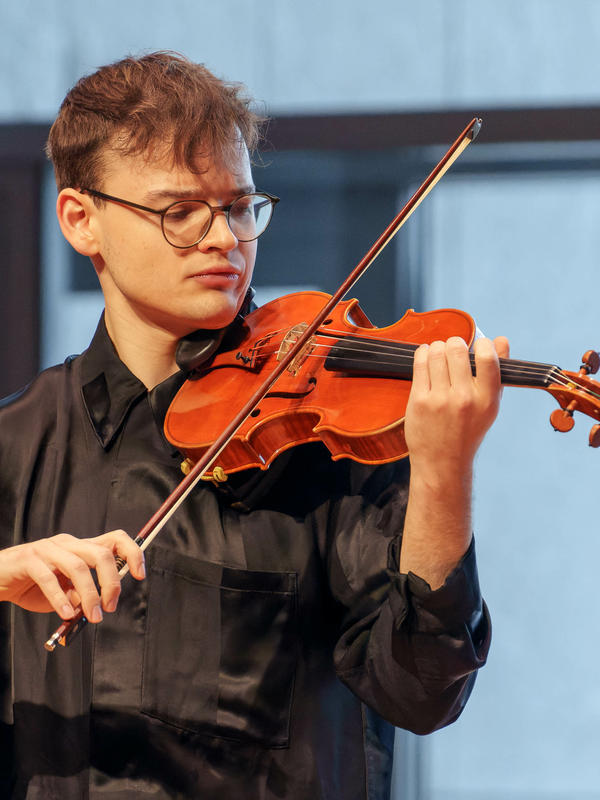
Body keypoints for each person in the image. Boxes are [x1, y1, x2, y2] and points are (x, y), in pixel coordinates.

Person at [0, 52, 509, 800]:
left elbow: (423, 691)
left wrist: (444, 471)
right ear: (82, 220)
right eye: (179, 211)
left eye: (239, 206)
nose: (222, 239)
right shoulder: (16, 446)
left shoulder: (326, 437)